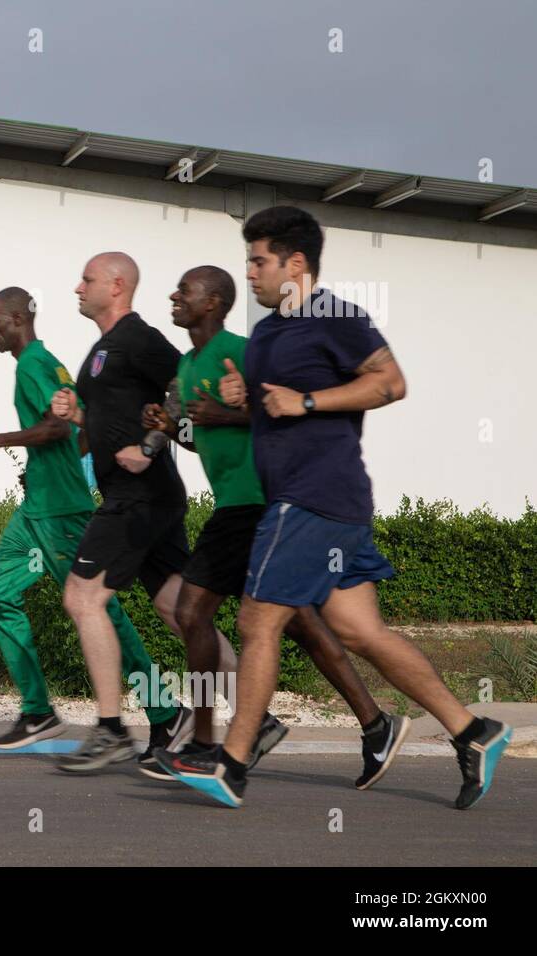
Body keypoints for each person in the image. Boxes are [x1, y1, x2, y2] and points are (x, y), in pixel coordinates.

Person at [156, 206, 511, 809]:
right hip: (314, 501)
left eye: (259, 260)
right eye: (249, 260)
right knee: (359, 629)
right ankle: (474, 732)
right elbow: (268, 409)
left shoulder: (337, 318)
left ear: (296, 264)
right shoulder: (267, 333)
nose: (250, 272)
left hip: (314, 495)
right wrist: (249, 401)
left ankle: (233, 764)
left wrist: (310, 401)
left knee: (258, 621)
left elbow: (391, 383)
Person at [138, 265, 401, 787]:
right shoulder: (188, 363)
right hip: (239, 503)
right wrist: (175, 427)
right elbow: (203, 434)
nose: (173, 295)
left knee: (192, 610)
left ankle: (207, 744)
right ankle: (374, 725)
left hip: (258, 502)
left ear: (213, 302)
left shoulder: (242, 349)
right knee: (300, 622)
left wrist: (227, 413)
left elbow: (276, 414)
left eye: (184, 291)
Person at [0, 286, 179, 749]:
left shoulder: (32, 365)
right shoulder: (49, 363)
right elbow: (75, 432)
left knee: (97, 609)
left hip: (61, 511)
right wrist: (50, 465)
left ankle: (164, 711)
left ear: (18, 320)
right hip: (36, 509)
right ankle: (38, 711)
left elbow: (58, 425)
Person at [50, 252, 195, 773]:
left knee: (82, 596)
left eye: (85, 279)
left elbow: (187, 384)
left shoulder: (139, 337)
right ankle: (259, 716)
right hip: (139, 497)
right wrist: (77, 414)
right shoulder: (101, 349)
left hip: (140, 496)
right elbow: (104, 422)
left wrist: (154, 443)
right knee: (181, 611)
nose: (77, 287)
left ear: (116, 285)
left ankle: (111, 730)